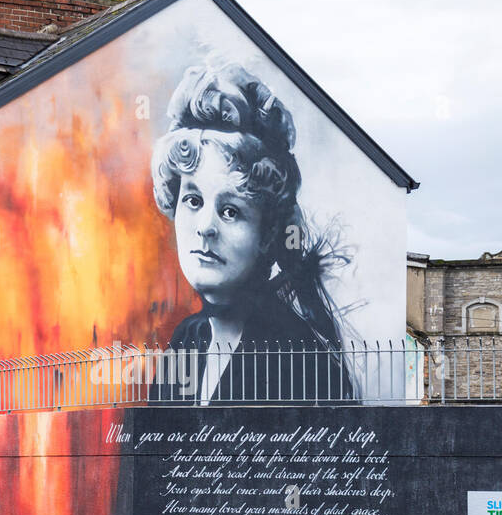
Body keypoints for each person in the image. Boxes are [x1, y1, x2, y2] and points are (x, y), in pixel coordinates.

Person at [148, 63, 352, 404]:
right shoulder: (187, 339)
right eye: (193, 200)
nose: (205, 227)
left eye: (230, 210)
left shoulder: (296, 355)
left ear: (268, 233)